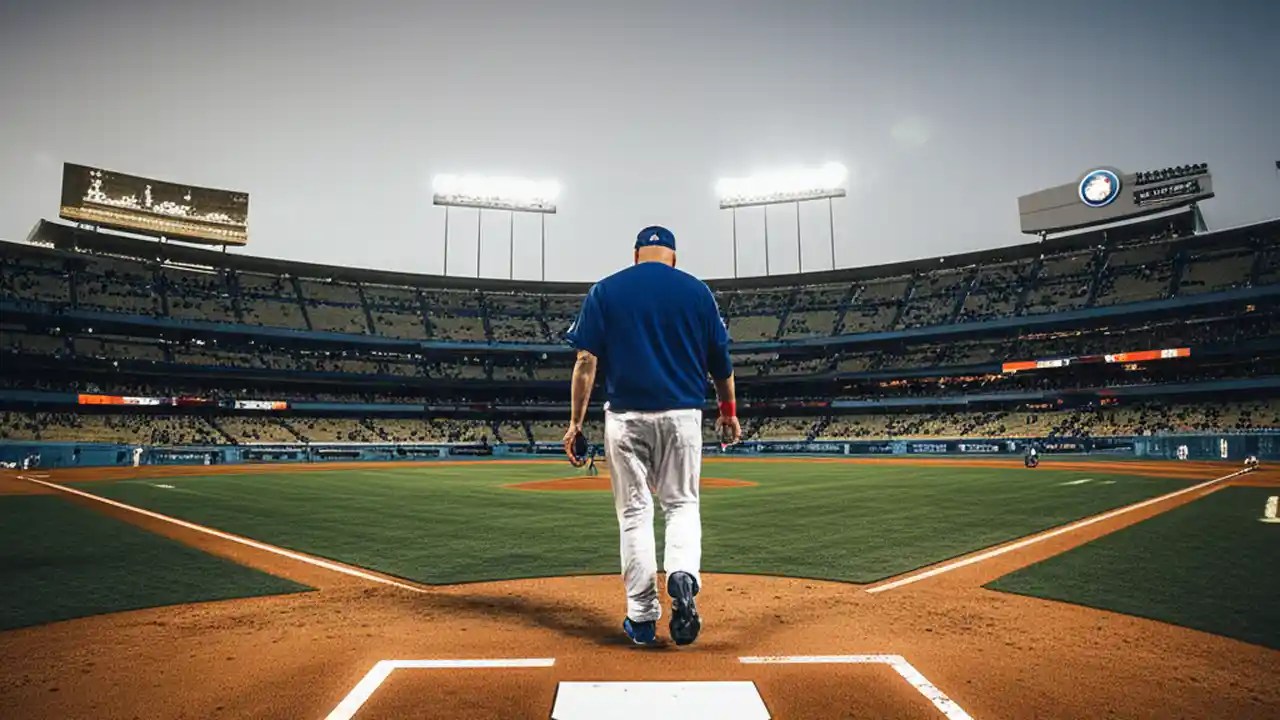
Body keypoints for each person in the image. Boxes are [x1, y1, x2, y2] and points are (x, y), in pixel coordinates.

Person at [564, 225, 740, 647]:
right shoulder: (698, 293)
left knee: (635, 515)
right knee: (681, 505)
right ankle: (682, 574)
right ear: (674, 257)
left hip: (625, 418)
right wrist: (729, 413)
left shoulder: (605, 291)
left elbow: (586, 360)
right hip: (682, 415)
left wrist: (575, 423)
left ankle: (642, 619)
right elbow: (722, 364)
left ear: (635, 253)